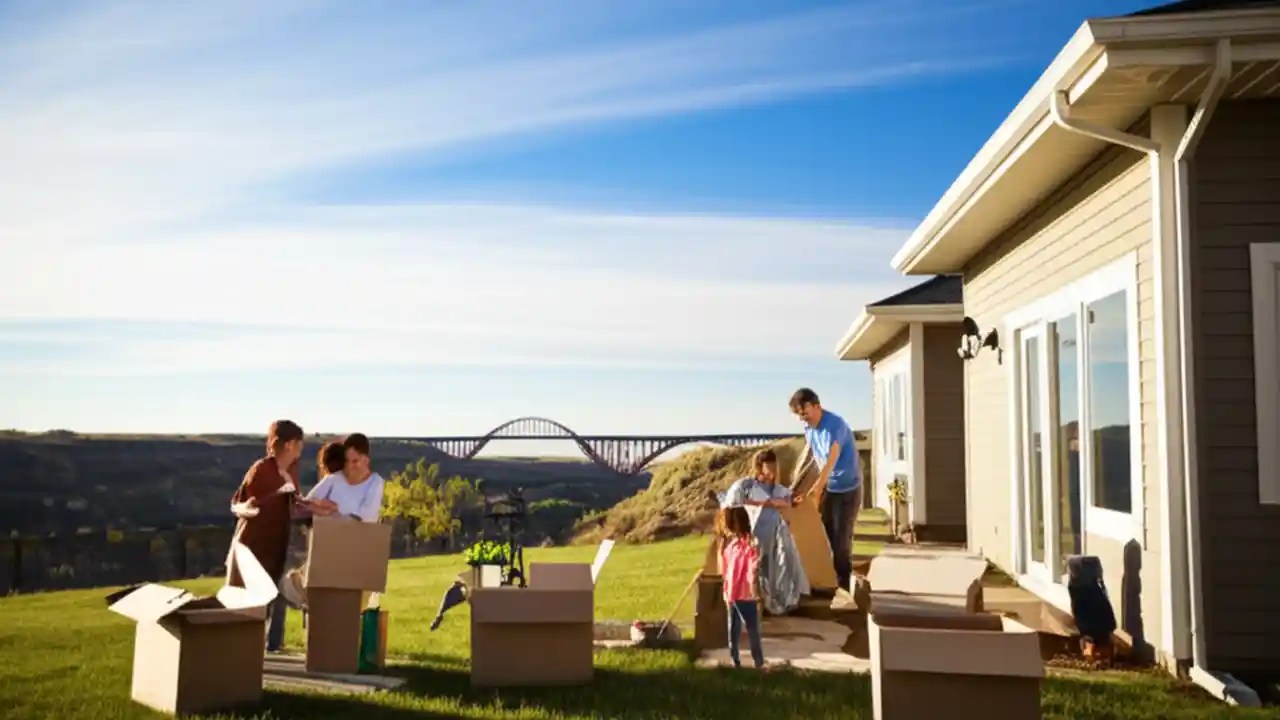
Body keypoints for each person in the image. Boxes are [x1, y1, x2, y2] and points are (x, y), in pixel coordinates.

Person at [280, 434, 386, 610]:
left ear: (366, 460)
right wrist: (322, 507)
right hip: (326, 548)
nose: (349, 467)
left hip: (356, 551)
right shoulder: (334, 479)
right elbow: (306, 502)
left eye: (355, 461)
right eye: (347, 461)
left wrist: (335, 512)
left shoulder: (375, 483)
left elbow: (365, 518)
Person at [227, 419, 305, 653]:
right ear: (290, 444)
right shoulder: (261, 469)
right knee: (249, 603)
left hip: (276, 546)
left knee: (275, 596)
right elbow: (239, 503)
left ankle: (271, 648)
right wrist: (251, 506)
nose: (301, 449)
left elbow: (293, 503)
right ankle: (240, 653)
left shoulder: (290, 471)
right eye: (300, 444)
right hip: (253, 546)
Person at [717, 449, 810, 615]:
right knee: (757, 569)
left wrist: (792, 500)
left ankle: (777, 600)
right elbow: (733, 503)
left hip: (775, 532)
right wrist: (765, 503)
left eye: (775, 466)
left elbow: (790, 499)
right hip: (756, 533)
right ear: (760, 467)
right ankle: (757, 601)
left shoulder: (778, 489)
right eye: (769, 466)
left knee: (779, 567)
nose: (773, 470)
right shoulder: (747, 486)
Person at [789, 387, 862, 592]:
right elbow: (811, 460)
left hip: (848, 489)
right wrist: (795, 487)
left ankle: (844, 586)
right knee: (825, 536)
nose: (802, 418)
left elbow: (831, 460)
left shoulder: (834, 426)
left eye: (804, 413)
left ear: (816, 406)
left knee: (841, 539)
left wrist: (816, 489)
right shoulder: (810, 430)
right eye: (798, 415)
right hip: (830, 488)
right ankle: (829, 582)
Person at [716, 506, 765, 670]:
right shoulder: (733, 545)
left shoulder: (748, 545)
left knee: (749, 629)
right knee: (736, 628)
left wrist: (754, 590)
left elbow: (752, 567)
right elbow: (725, 569)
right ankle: (737, 661)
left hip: (742, 593)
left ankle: (756, 662)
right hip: (734, 593)